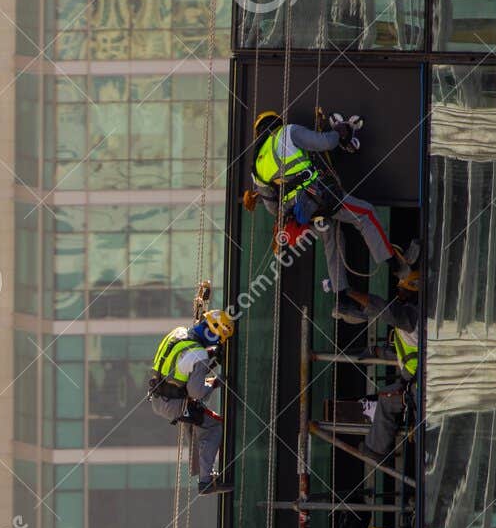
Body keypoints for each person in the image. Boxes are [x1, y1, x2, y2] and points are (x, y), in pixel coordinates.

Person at [244, 110, 418, 321]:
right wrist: (339, 132)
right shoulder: (287, 133)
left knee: (331, 236)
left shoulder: (257, 166)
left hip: (301, 214)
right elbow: (325, 143)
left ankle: (342, 299)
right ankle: (399, 268)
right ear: (277, 123)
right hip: (318, 195)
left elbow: (273, 209)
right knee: (365, 214)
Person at [145, 309, 233, 496]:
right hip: (175, 404)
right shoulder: (199, 353)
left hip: (160, 397)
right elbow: (197, 392)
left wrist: (211, 358)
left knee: (197, 423)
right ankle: (205, 482)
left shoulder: (178, 333)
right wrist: (216, 383)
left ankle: (202, 473)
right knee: (214, 426)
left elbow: (182, 363)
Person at [345, 270, 420, 460]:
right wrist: (378, 352)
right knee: (388, 395)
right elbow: (408, 353)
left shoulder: (409, 316)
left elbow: (382, 309)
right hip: (417, 379)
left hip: (421, 385)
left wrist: (349, 292)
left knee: (387, 399)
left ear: (413, 291)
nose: (398, 293)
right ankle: (374, 450)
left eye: (402, 289)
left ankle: (375, 452)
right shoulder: (417, 315)